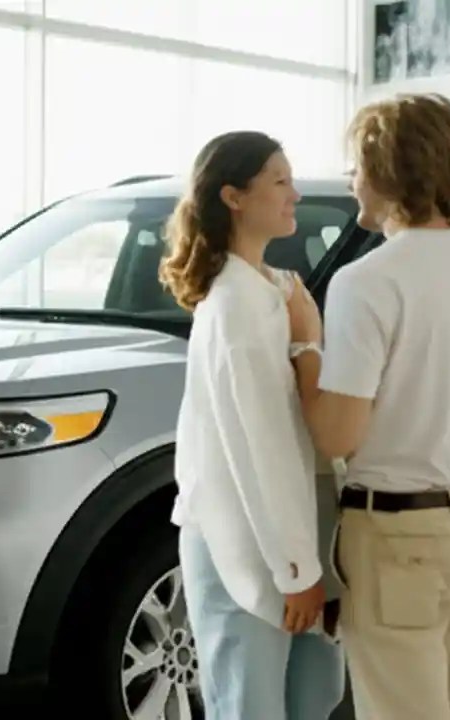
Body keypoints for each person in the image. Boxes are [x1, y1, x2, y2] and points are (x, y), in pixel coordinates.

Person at [287, 93, 450, 720]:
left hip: (397, 539)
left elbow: (339, 435)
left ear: (389, 172)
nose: (351, 180)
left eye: (357, 166)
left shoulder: (367, 282)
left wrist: (303, 348)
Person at [162, 130, 345, 719]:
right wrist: (297, 568)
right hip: (249, 545)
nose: (295, 193)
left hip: (293, 540)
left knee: (312, 698)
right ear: (234, 197)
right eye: (280, 181)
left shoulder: (278, 290)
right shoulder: (237, 303)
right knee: (250, 708)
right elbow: (257, 446)